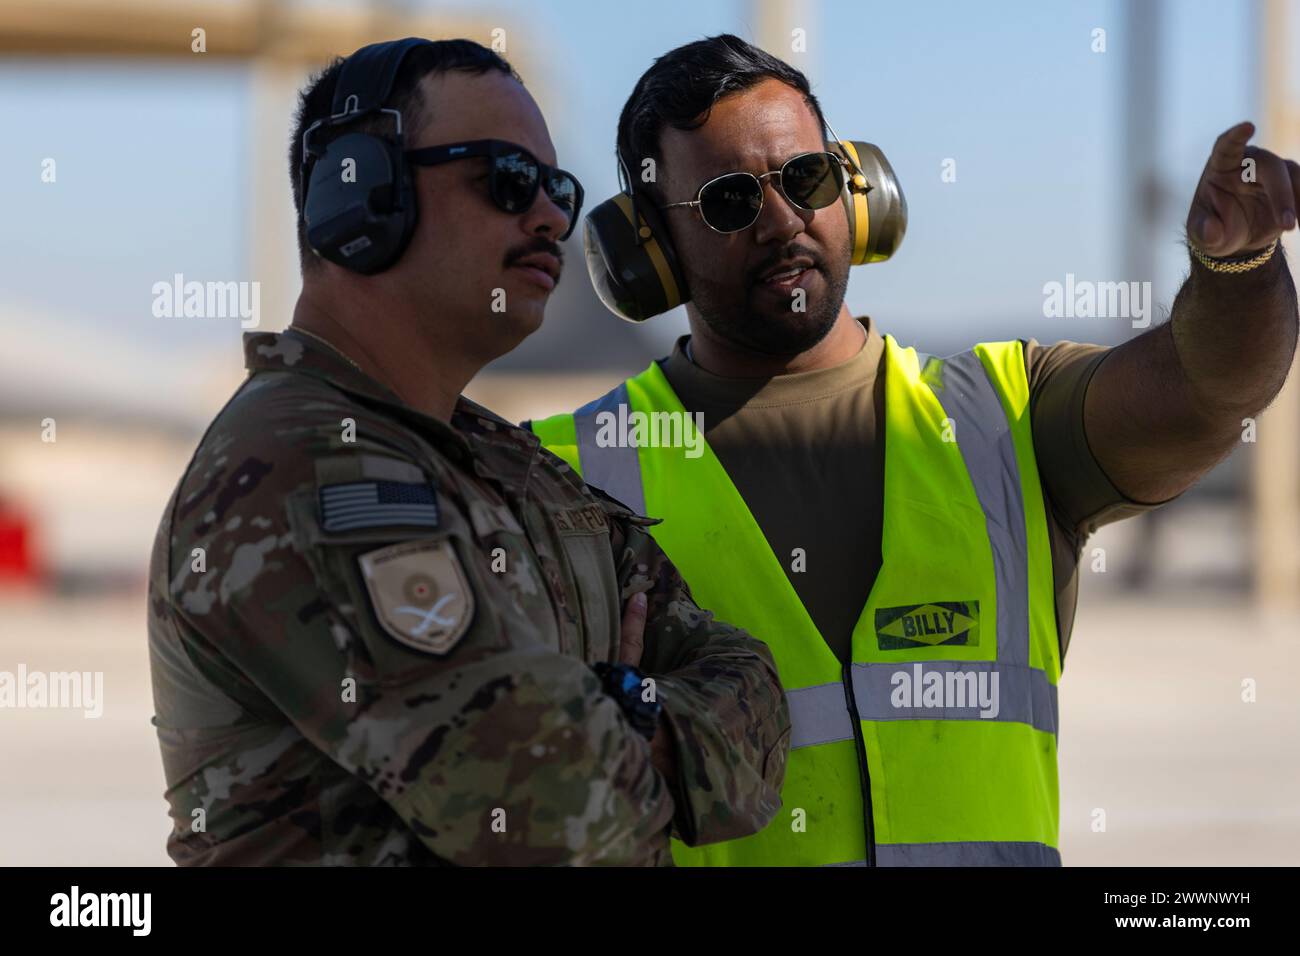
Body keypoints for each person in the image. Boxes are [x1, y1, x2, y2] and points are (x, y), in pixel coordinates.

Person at [530, 34, 1300, 866]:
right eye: (728, 202)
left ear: (857, 188)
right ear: (648, 248)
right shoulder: (565, 477)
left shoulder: (1006, 414)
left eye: (806, 179)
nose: (783, 220)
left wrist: (1240, 266)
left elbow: (1208, 384)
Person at [145, 37, 790, 866]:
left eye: (559, 188)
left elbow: (752, 685)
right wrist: (635, 714)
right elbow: (550, 809)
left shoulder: (511, 468)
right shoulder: (300, 468)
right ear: (361, 195)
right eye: (507, 179)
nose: (554, 216)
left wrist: (606, 716)